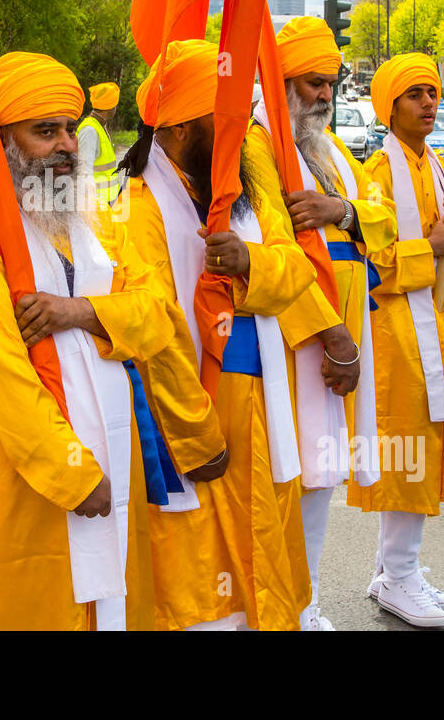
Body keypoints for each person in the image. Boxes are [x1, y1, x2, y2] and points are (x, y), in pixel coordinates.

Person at [0, 51, 173, 630]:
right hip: (13, 464)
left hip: (109, 443)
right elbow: (1, 376)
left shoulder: (95, 223)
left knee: (108, 606)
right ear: (1, 141)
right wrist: (72, 473)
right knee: (30, 604)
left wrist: (79, 311)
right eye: (45, 131)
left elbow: (158, 317)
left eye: (69, 127)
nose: (67, 145)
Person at [116, 39, 320, 630]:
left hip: (261, 404)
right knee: (197, 578)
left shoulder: (243, 185)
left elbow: (297, 267)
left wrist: (249, 262)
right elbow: (154, 330)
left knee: (264, 562)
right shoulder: (137, 206)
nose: (238, 132)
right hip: (194, 418)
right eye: (222, 119)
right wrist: (196, 436)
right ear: (178, 131)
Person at [247, 16, 399, 630]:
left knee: (323, 473)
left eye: (331, 83)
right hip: (296, 338)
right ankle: (286, 606)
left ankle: (302, 603)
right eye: (312, 82)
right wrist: (328, 334)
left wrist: (342, 208)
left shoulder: (330, 147)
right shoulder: (257, 145)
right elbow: (272, 245)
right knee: (296, 473)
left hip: (342, 330)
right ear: (279, 82)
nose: (325, 95)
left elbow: (384, 220)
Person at [346, 53, 444, 628]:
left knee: (427, 445)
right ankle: (398, 575)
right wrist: (436, 246)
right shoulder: (375, 175)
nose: (430, 103)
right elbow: (369, 263)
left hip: (435, 329)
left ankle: (396, 569)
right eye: (415, 95)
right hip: (395, 335)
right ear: (389, 107)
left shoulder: (434, 167)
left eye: (434, 92)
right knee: (407, 451)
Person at [77, 82, 121, 206]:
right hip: (97, 203)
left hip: (106, 201)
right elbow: (83, 169)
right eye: (115, 104)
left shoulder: (98, 126)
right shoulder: (90, 130)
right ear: (110, 106)